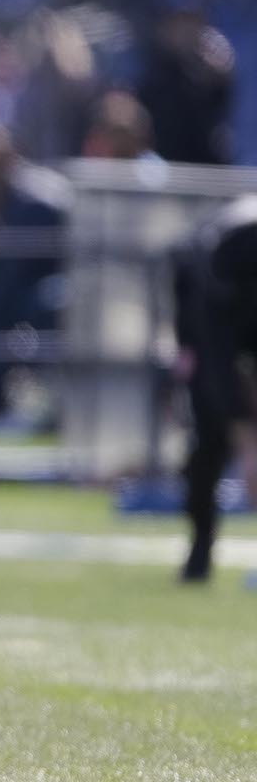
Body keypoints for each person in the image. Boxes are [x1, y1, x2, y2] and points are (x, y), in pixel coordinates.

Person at [174, 195, 257, 584]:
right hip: (208, 325)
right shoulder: (223, 258)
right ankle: (200, 551)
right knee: (209, 441)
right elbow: (218, 358)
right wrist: (245, 432)